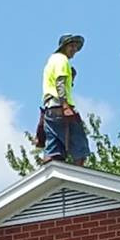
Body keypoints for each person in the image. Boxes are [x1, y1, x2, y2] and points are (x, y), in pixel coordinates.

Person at [40, 34, 89, 165]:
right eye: (71, 46)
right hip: (60, 108)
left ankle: (51, 180)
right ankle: (78, 180)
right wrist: (66, 106)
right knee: (80, 148)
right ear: (64, 47)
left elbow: (60, 83)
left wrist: (71, 79)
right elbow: (60, 83)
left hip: (50, 109)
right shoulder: (62, 60)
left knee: (54, 152)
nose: (74, 49)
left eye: (75, 47)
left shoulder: (51, 61)